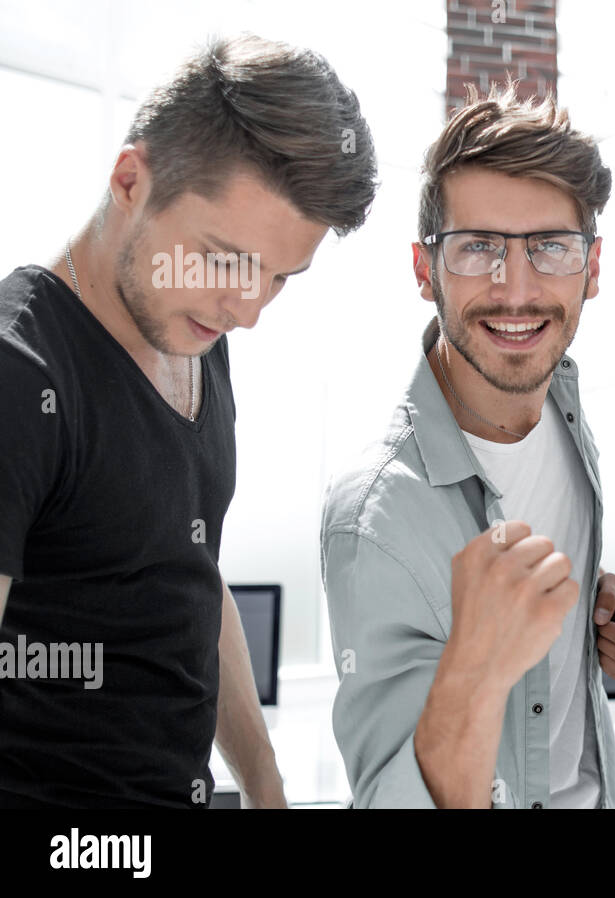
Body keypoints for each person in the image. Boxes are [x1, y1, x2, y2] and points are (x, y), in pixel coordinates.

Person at [0, 34, 378, 807]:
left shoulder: (198, 345)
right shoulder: (20, 376)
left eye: (281, 278)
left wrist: (266, 787)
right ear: (131, 179)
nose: (248, 310)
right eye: (224, 260)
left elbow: (189, 581)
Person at [321, 84, 615, 809]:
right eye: (478, 249)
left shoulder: (564, 402)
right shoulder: (375, 518)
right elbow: (392, 801)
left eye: (551, 248)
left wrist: (586, 611)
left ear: (592, 268)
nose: (517, 290)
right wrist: (477, 661)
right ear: (422, 269)